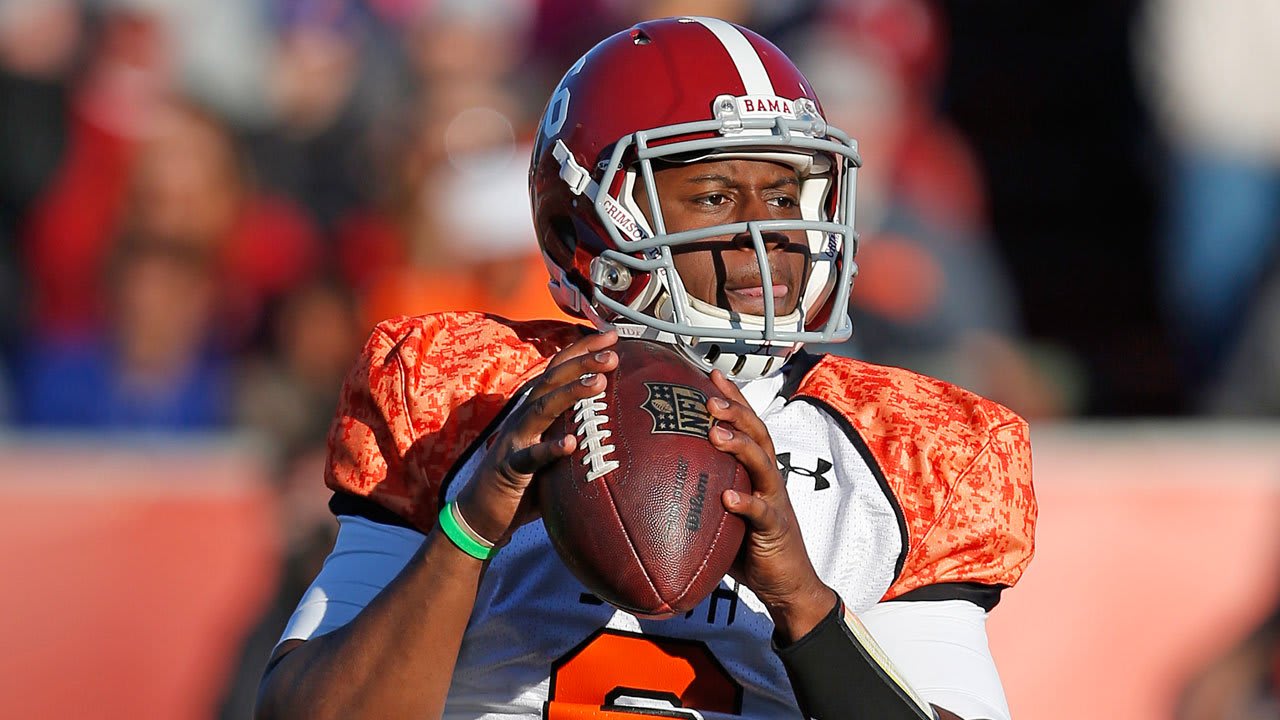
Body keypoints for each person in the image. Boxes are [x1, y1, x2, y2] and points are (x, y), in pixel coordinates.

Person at [255, 16, 1036, 720]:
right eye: (716, 194)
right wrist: (473, 522)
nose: (768, 233)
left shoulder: (915, 452)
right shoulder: (462, 397)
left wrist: (801, 599)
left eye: (788, 192)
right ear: (576, 227)